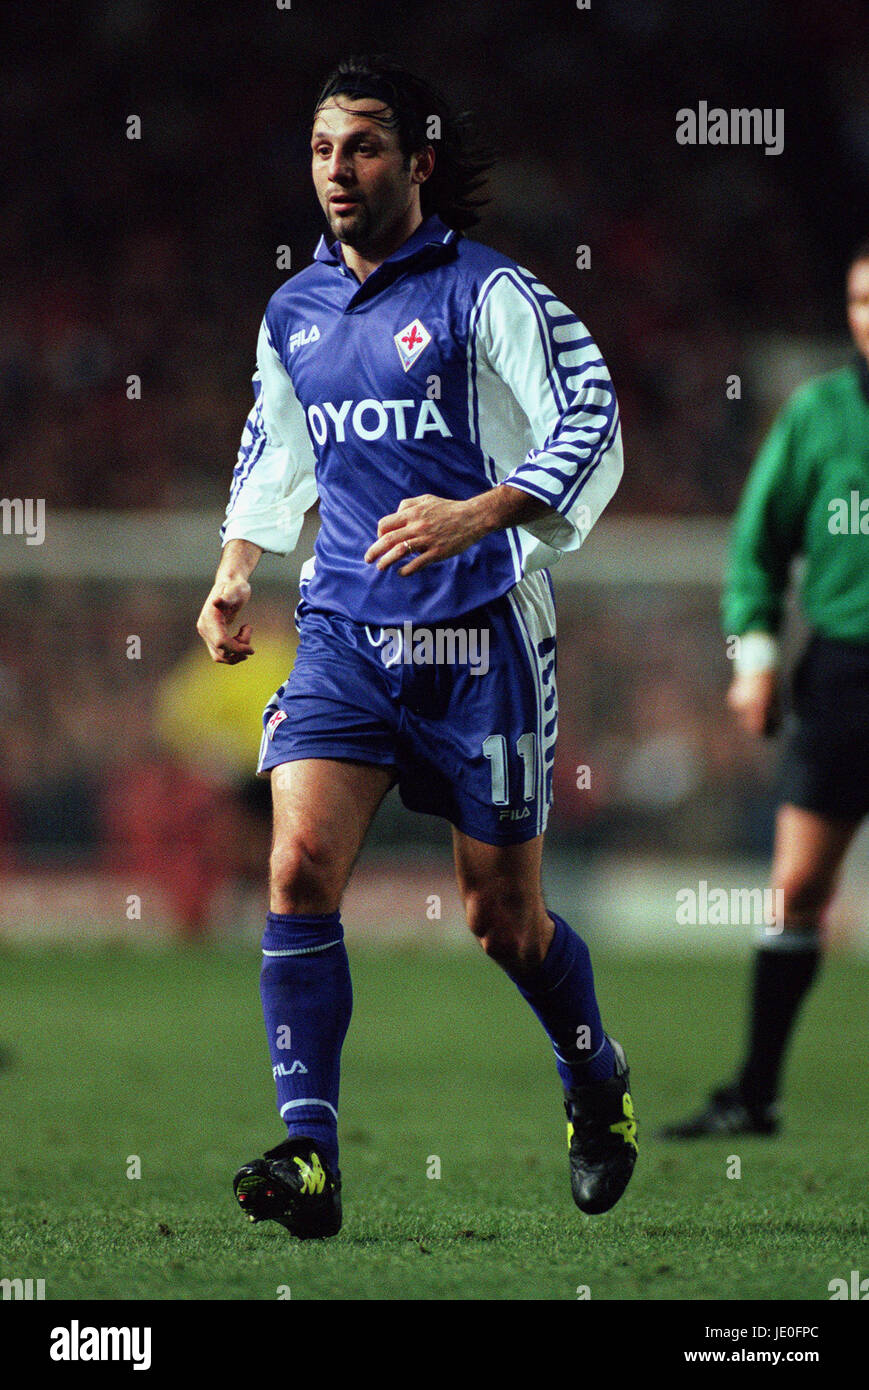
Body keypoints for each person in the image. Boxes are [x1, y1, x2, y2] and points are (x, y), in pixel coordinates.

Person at [196, 55, 636, 1238]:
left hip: (480, 639)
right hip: (342, 632)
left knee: (503, 922)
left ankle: (595, 1082)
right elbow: (274, 446)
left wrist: (477, 511)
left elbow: (588, 423)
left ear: (419, 162)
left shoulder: (488, 294)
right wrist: (237, 569)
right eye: (323, 149)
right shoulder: (293, 310)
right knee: (295, 869)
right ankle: (312, 1154)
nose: (339, 170)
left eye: (366, 147)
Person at [661, 242, 869, 1139]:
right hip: (845, 673)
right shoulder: (818, 415)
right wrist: (753, 660)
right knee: (795, 890)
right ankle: (755, 1094)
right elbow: (756, 550)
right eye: (862, 298)